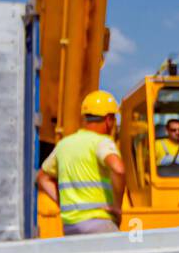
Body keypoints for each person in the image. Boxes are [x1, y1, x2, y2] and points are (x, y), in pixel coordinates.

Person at [36, 90, 126, 235]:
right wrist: (117, 207)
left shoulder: (64, 145)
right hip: (99, 222)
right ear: (108, 119)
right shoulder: (101, 142)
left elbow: (42, 178)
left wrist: (64, 203)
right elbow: (118, 169)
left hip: (70, 226)